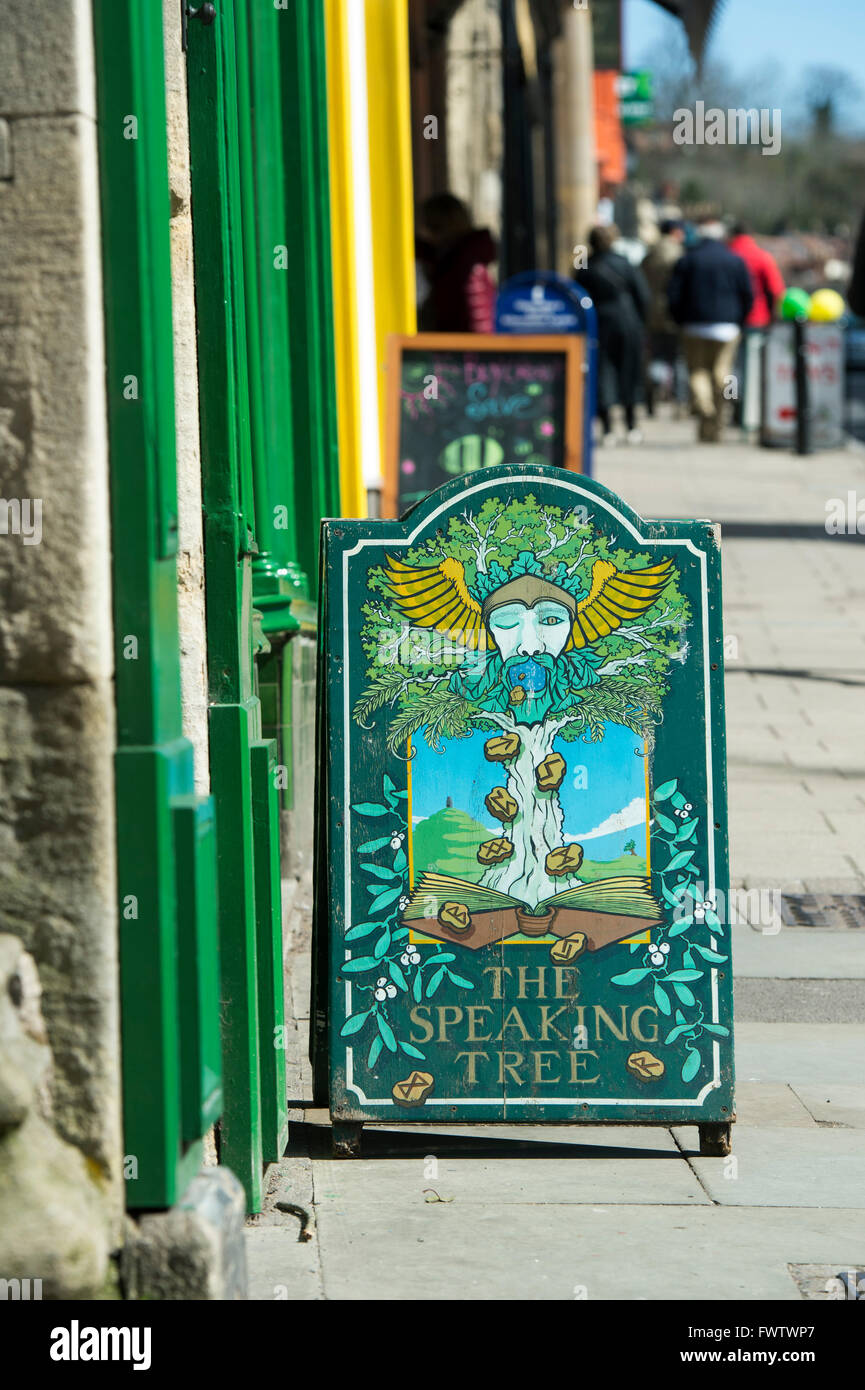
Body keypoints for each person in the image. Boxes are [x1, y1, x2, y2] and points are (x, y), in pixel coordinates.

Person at [667, 215, 753, 442]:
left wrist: (679, 319)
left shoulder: (688, 259)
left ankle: (704, 406)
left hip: (693, 325)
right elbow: (747, 294)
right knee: (721, 371)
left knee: (697, 371)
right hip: (728, 326)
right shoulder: (735, 260)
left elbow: (674, 295)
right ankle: (715, 426)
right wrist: (740, 320)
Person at [574, 224, 650, 444]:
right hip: (628, 323)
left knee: (603, 373)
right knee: (629, 372)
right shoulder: (626, 263)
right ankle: (632, 425)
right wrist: (640, 323)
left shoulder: (586, 266)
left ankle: (607, 428)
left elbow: (577, 298)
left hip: (600, 324)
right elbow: (643, 296)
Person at [415, 193, 497, 333]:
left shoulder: (468, 263)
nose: (427, 233)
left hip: (461, 346)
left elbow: (479, 319)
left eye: (434, 227)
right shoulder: (448, 257)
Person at [641, 218, 685, 414]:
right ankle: (679, 402)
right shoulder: (679, 254)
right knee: (677, 358)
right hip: (675, 311)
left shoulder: (649, 254)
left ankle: (652, 396)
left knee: (655, 355)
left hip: (652, 312)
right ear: (675, 232)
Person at [726, 222, 786, 328]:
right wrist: (773, 315)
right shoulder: (762, 256)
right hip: (757, 317)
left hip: (728, 317)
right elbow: (775, 289)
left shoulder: (726, 255)